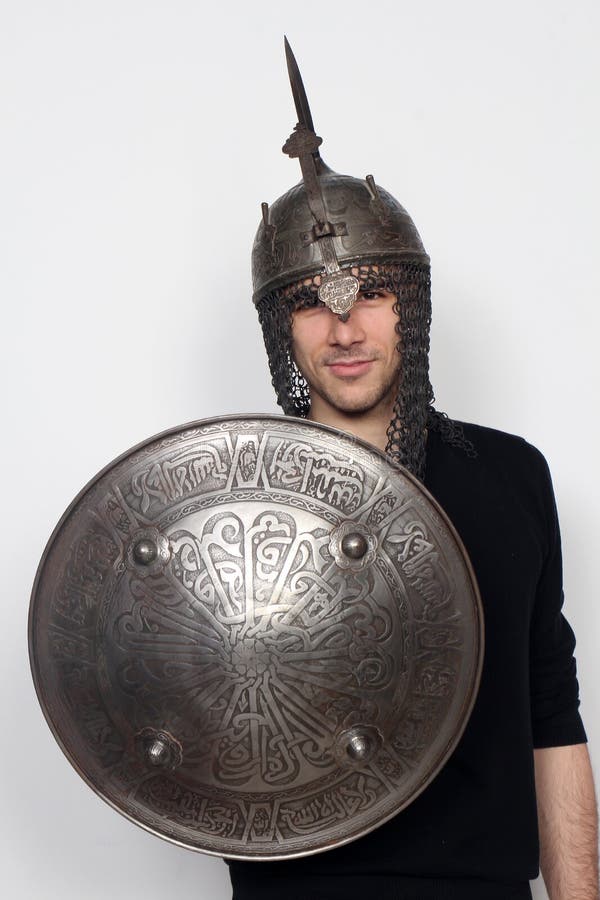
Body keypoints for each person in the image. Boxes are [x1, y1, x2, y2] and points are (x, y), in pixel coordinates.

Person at [225, 42, 598, 900]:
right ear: (282, 329)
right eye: (313, 303)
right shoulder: (239, 501)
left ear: (412, 305)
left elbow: (551, 711)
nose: (345, 331)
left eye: (372, 296)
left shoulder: (510, 477)